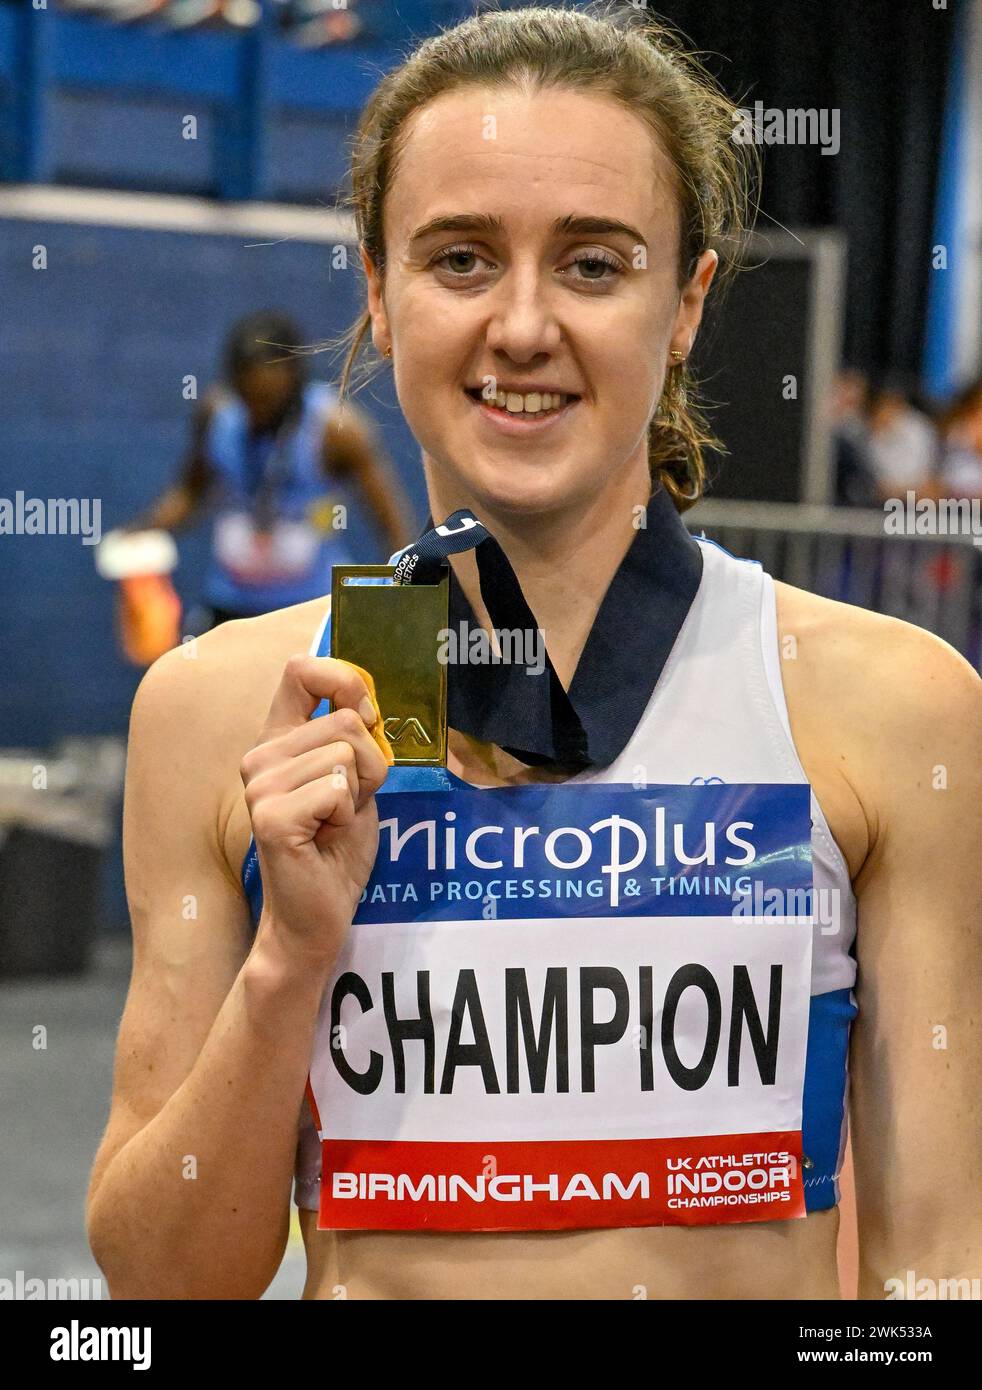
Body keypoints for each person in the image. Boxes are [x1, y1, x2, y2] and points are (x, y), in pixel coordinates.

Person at [86, 5, 981, 1300]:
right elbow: (159, 1294)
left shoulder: (894, 706)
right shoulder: (212, 709)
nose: (520, 325)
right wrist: (288, 962)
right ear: (379, 295)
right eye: (458, 259)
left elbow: (936, 1267)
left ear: (686, 302)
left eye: (592, 265)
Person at [128, 311, 411, 629]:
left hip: (313, 607)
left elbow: (390, 524)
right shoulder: (216, 416)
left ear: (293, 383)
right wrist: (143, 530)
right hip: (230, 606)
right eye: (247, 399)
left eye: (267, 400)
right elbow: (190, 492)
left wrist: (400, 597)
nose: (257, 411)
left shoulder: (337, 430)